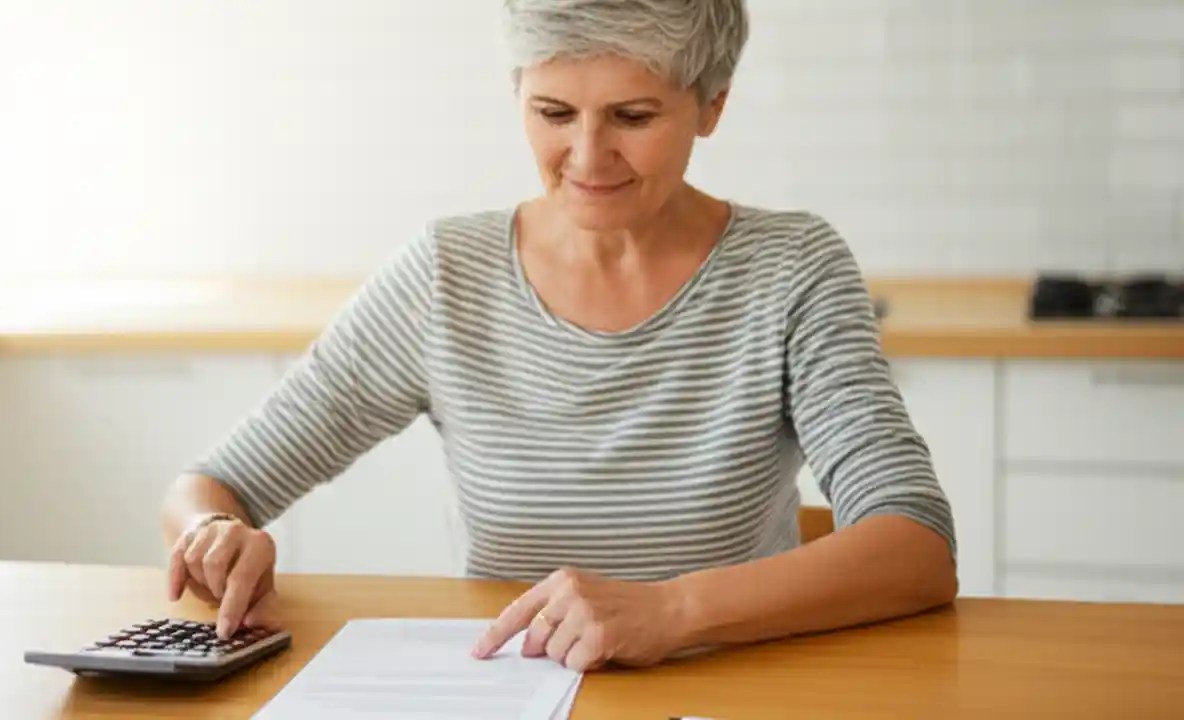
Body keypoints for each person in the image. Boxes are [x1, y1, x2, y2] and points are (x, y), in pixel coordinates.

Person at [160, 0, 957, 672]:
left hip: (731, 686)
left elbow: (916, 545)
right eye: (552, 113)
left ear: (712, 104)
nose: (586, 156)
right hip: (517, 694)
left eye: (632, 116)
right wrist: (213, 536)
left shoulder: (790, 269)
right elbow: (209, 485)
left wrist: (672, 611)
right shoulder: (448, 275)